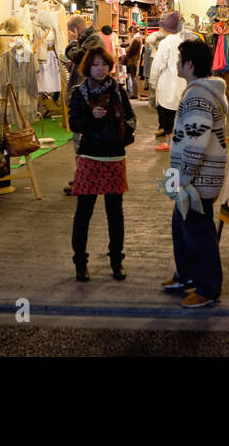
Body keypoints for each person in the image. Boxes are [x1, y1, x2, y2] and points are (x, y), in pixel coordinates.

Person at [162, 38, 228, 308]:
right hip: (196, 178)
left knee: (199, 232)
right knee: (182, 225)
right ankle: (187, 275)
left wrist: (183, 179)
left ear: (189, 64)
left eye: (179, 60)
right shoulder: (199, 91)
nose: (177, 64)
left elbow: (194, 143)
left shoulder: (198, 96)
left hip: (196, 180)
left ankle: (208, 288)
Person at [67, 45, 136, 282]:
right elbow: (74, 124)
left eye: (104, 64)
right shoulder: (80, 92)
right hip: (90, 156)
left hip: (115, 157)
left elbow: (131, 117)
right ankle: (80, 263)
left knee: (115, 213)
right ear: (88, 67)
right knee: (84, 212)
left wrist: (123, 130)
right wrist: (90, 117)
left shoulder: (117, 90)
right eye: (95, 65)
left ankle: (116, 261)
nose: (100, 69)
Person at [62, 14, 103, 195]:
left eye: (72, 32)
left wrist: (70, 45)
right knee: (82, 140)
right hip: (86, 96)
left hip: (87, 98)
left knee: (82, 140)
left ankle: (85, 181)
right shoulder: (90, 40)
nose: (72, 35)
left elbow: (79, 56)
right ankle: (85, 177)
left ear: (76, 29)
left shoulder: (92, 39)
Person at [149, 12, 193, 150]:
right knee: (180, 114)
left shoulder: (165, 43)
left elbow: (158, 64)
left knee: (167, 114)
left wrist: (153, 82)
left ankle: (169, 143)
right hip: (183, 83)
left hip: (167, 84)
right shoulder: (182, 41)